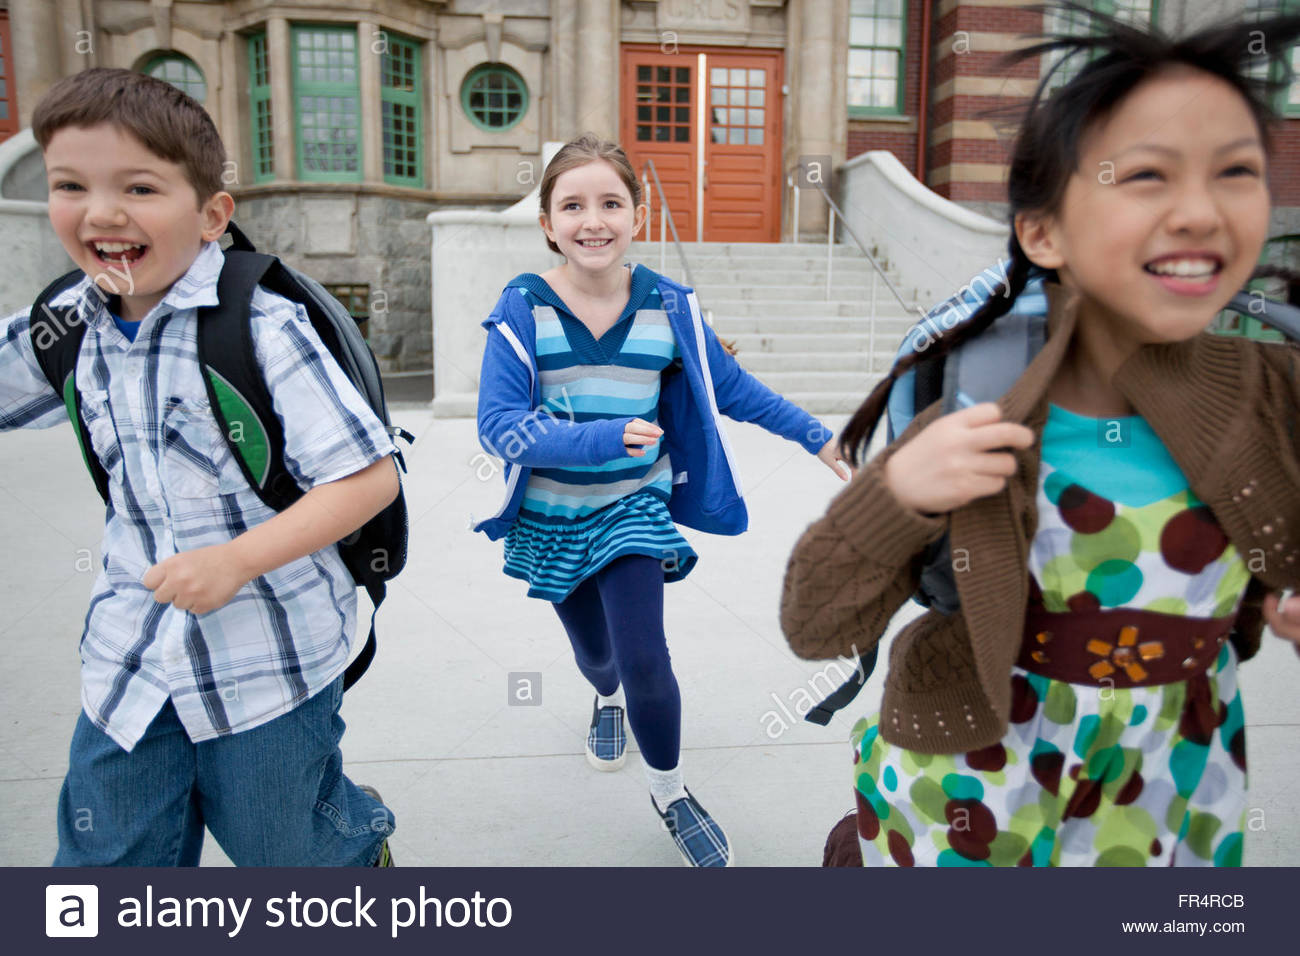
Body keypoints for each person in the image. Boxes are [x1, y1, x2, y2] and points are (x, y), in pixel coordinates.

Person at [781, 4, 1300, 867]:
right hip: (975, 786)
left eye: (1236, 172)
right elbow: (813, 625)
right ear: (1041, 231)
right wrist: (898, 495)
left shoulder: (1274, 396)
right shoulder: (979, 405)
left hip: (1173, 788)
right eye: (1147, 176)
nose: (1201, 212)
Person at [0, 68, 401, 866]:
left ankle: (356, 852)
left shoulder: (261, 326)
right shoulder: (65, 324)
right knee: (107, 861)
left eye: (140, 188)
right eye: (70, 185)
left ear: (212, 215)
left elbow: (368, 477)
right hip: (130, 656)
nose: (102, 213)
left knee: (289, 852)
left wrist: (235, 562)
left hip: (267, 658)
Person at [474, 134, 849, 866]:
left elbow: (733, 390)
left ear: (637, 216)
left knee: (647, 655)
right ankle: (604, 697)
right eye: (573, 205)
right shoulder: (523, 306)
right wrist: (608, 436)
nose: (594, 220)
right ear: (548, 223)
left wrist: (819, 437)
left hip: (632, 510)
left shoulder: (668, 306)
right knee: (598, 655)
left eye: (611, 203)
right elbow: (498, 428)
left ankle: (671, 791)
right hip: (552, 516)